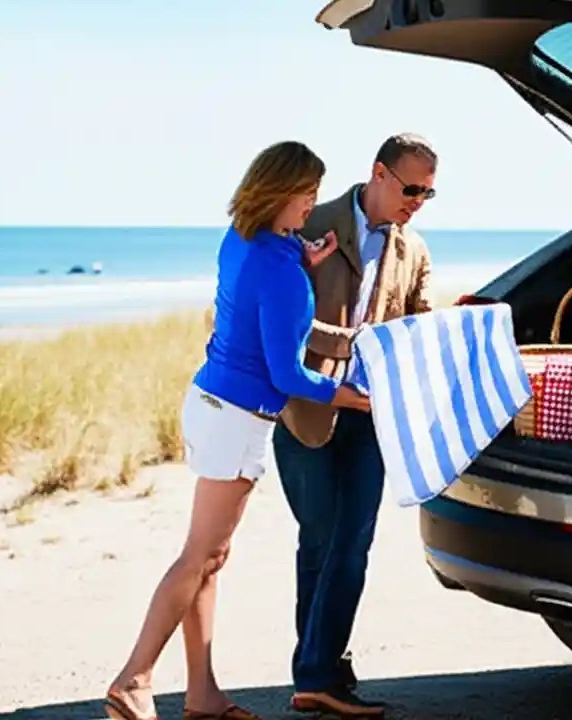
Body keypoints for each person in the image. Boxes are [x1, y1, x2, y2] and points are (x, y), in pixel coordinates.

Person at [103, 140, 371, 720]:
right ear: (281, 191)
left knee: (210, 558)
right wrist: (347, 397)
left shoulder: (241, 239)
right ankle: (134, 679)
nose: (313, 205)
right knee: (198, 556)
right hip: (238, 419)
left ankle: (202, 695)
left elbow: (266, 272)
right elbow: (286, 373)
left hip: (211, 404)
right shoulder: (283, 274)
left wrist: (303, 257)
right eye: (307, 194)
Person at [273, 133, 437, 717]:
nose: (417, 202)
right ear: (379, 174)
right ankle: (322, 669)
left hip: (371, 416)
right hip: (307, 410)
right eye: (411, 189)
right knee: (319, 537)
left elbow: (415, 328)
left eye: (428, 193)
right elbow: (283, 323)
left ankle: (319, 671)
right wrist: (352, 345)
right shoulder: (309, 223)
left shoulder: (415, 250)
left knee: (353, 543)